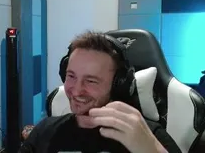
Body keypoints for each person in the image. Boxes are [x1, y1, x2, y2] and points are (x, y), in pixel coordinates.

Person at [19, 32, 180, 153]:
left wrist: (152, 149)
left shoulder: (145, 134)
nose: (76, 90)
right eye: (71, 76)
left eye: (91, 81)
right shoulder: (45, 131)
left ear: (119, 84)